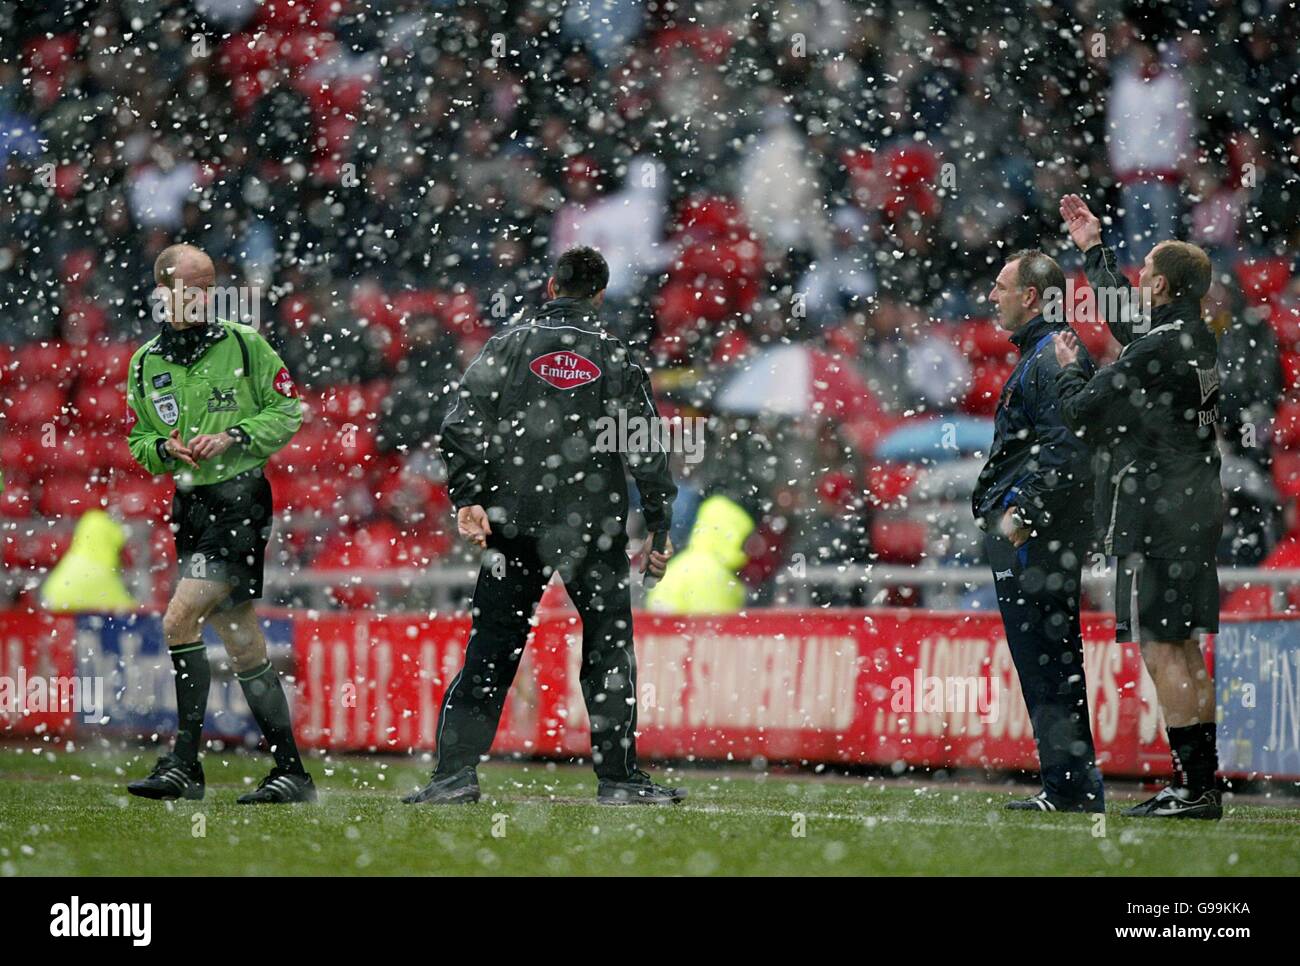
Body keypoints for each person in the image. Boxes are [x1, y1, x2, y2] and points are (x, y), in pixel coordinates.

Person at [403, 246, 683, 806]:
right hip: (592, 526)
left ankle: (453, 777)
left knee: (490, 651)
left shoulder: (506, 346)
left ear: (552, 287)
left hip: (515, 521)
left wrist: (469, 496)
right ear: (600, 295)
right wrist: (658, 522)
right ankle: (619, 781)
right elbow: (647, 448)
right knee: (607, 649)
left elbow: (459, 427)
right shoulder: (615, 355)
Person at [124, 243, 314, 804]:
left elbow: (289, 410)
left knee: (179, 619)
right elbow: (139, 440)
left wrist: (234, 436)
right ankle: (292, 772)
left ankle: (184, 762)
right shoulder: (145, 363)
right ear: (165, 293)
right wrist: (164, 447)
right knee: (243, 642)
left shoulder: (244, 344)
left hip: (240, 501)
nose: (205, 296)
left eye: (210, 286)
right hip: (191, 506)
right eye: (193, 286)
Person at [1054, 194, 1223, 820]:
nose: (1138, 278)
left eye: (1144, 270)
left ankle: (1193, 786)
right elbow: (1129, 323)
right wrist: (1093, 250)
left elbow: (1082, 410)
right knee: (1182, 647)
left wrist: (1072, 371)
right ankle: (1202, 784)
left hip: (1156, 514)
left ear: (1160, 282)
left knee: (1160, 647)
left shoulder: (1158, 347)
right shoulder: (1193, 337)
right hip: (1195, 508)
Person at [971, 249, 1104, 813]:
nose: (993, 296)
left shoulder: (1049, 355)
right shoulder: (1048, 352)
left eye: (1002, 287)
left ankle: (1070, 787)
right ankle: (1068, 784)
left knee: (1045, 659)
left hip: (1038, 536)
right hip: (1051, 530)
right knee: (1052, 659)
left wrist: (1020, 515)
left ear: (1030, 297)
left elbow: (1068, 451)